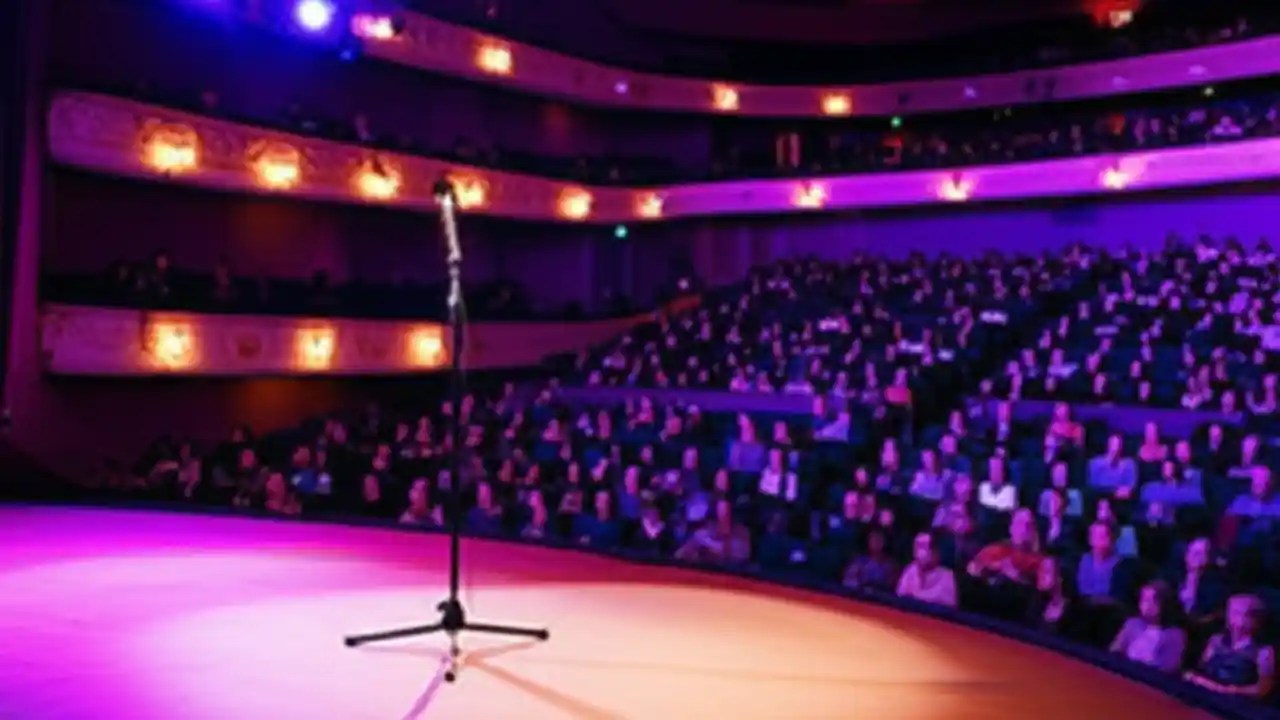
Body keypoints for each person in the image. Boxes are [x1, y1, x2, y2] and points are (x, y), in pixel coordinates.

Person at [1185, 594, 1276, 699]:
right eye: (1231, 612)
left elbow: (1262, 690)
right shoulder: (1216, 640)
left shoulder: (1263, 651)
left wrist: (1229, 690)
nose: (1232, 618)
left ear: (1255, 620)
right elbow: (1201, 668)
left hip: (1237, 705)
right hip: (1207, 698)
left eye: (1238, 613)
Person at [1109, 582, 1187, 673]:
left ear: (1162, 604)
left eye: (1148, 601)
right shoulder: (1132, 624)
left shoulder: (1175, 635)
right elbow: (1115, 650)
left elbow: (1168, 667)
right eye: (1143, 600)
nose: (1143, 605)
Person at [897, 532, 957, 608]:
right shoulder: (911, 569)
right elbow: (900, 596)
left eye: (925, 548)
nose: (921, 553)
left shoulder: (946, 575)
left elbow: (949, 606)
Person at [842, 529, 899, 593]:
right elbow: (848, 583)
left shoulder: (890, 565)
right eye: (873, 540)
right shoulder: (859, 562)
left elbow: (894, 587)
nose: (876, 543)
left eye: (879, 540)